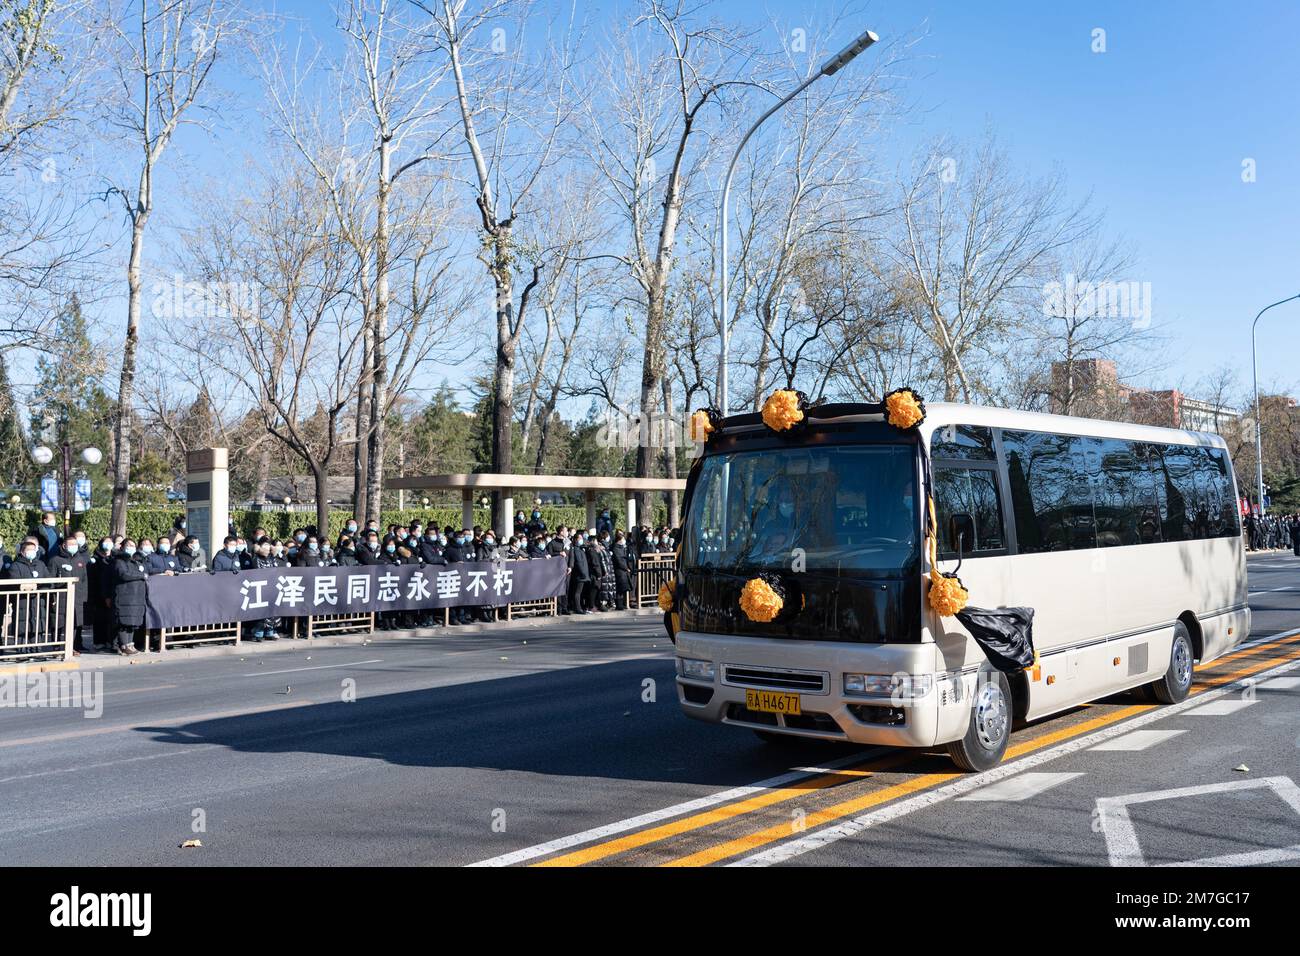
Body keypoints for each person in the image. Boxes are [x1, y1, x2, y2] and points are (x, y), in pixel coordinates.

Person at [110, 540, 147, 655]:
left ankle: (130, 644)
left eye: (133, 545)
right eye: (129, 545)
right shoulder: (119, 561)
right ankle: (124, 644)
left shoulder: (137, 561)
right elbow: (124, 574)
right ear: (122, 547)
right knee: (123, 622)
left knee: (132, 622)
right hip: (124, 596)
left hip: (136, 596)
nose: (131, 547)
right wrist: (141, 576)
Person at [86, 538, 116, 649]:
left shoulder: (114, 558)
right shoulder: (95, 559)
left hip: (112, 591)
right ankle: (99, 642)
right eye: (105, 542)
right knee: (99, 618)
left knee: (111, 619)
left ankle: (110, 641)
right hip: (98, 592)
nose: (108, 544)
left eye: (110, 541)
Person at [567, 530, 591, 614]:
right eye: (580, 538)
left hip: (582, 575)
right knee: (577, 592)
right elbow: (579, 562)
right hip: (580, 575)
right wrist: (583, 573)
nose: (582, 540)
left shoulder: (581, 549)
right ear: (576, 539)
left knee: (580, 592)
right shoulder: (576, 549)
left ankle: (579, 607)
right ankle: (577, 608)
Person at [612, 531, 634, 610]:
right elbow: (619, 560)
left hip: (624, 570)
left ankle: (623, 603)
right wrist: (626, 568)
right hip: (620, 570)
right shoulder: (616, 548)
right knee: (620, 588)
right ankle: (619, 604)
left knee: (624, 588)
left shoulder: (622, 548)